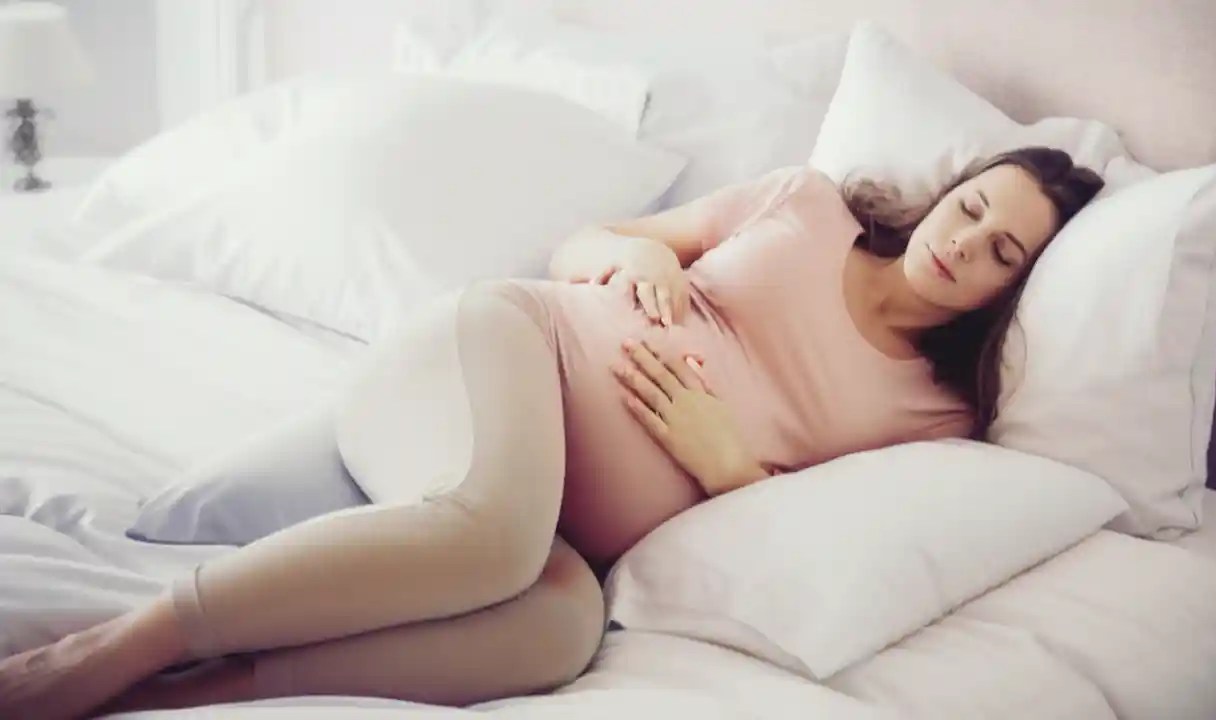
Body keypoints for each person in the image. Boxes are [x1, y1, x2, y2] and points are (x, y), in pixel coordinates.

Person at [0, 147, 1103, 718]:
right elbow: (585, 244)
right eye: (974, 207)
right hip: (506, 344)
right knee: (496, 539)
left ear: (1012, 290)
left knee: (556, 632)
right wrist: (640, 254)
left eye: (1003, 252)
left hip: (561, 527)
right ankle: (118, 647)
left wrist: (728, 465)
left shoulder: (936, 415)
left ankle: (187, 697)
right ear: (951, 190)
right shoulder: (806, 204)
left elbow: (821, 533)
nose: (967, 243)